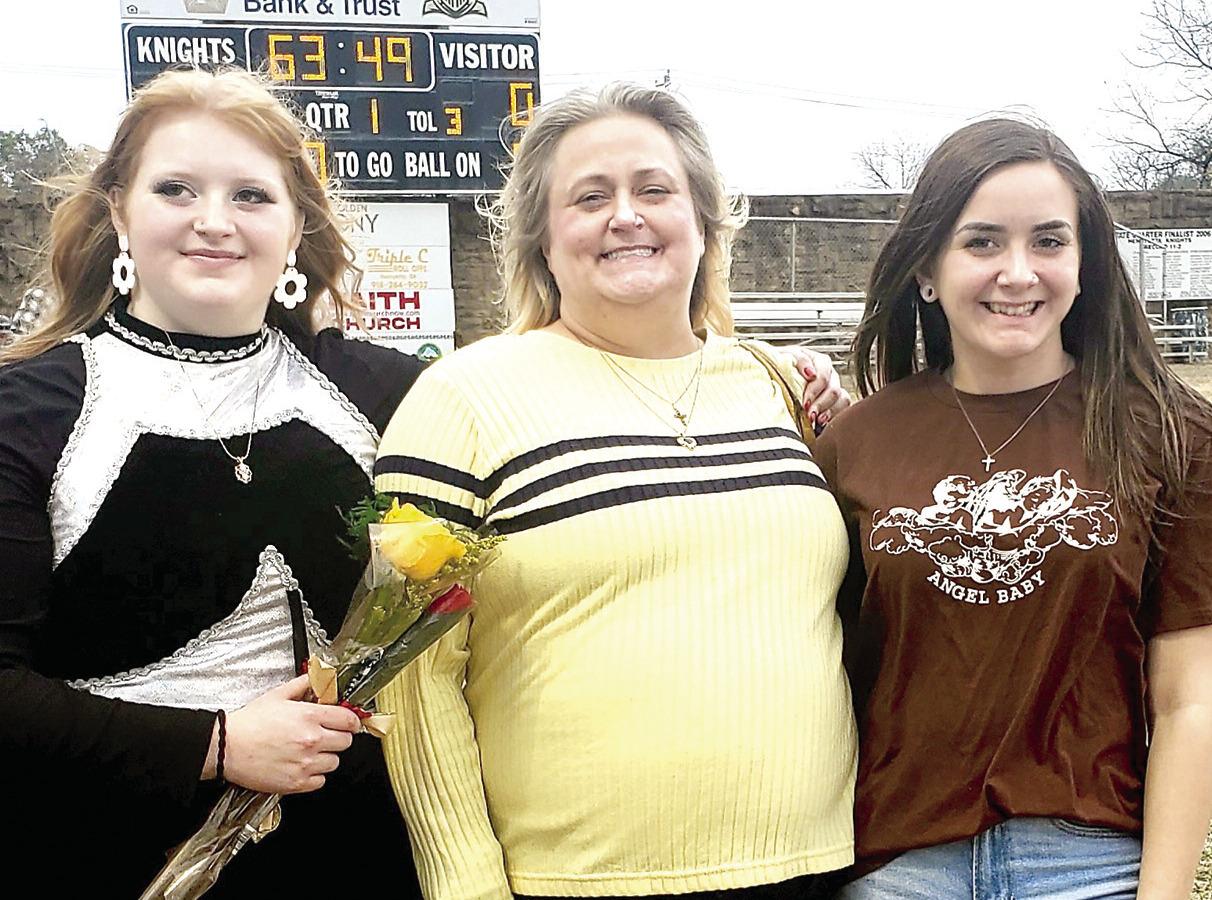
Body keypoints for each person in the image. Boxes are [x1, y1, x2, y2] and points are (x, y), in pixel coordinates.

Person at [372, 83, 857, 900]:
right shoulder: (458, 401)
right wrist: (465, 883)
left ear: (703, 222)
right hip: (570, 882)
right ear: (541, 241)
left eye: (654, 189)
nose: (625, 215)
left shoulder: (780, 389)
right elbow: (410, 672)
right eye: (590, 197)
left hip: (818, 867)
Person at [0, 68, 426, 897]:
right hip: (106, 856)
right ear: (119, 211)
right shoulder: (27, 411)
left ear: (299, 224)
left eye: (252, 196)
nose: (214, 222)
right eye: (176, 189)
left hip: (364, 859)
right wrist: (217, 743)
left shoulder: (386, 392)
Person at [813, 118, 1212, 898]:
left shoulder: (1172, 434)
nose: (1018, 272)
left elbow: (1190, 698)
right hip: (899, 870)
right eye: (983, 242)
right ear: (927, 268)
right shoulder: (856, 443)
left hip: (1092, 865)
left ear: (1085, 264)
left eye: (1050, 242)